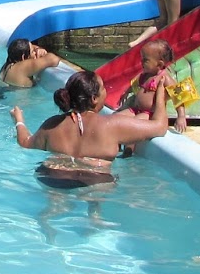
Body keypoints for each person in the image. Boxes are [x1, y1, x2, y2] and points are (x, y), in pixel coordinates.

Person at [11, 70, 167, 188]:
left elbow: (25, 142)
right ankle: (95, 214)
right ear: (94, 98)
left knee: (55, 202)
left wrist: (19, 120)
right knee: (103, 190)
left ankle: (52, 211)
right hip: (96, 181)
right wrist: (160, 95)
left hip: (51, 176)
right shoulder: (113, 125)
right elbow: (160, 127)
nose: (106, 91)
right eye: (104, 88)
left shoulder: (52, 125)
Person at [123, 38, 190, 133]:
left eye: (145, 60)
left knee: (132, 126)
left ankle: (129, 148)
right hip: (136, 109)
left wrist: (181, 116)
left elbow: (178, 97)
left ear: (159, 64)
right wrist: (126, 93)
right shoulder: (145, 75)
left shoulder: (164, 78)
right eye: (141, 59)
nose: (141, 62)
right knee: (115, 118)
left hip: (150, 114)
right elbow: (135, 85)